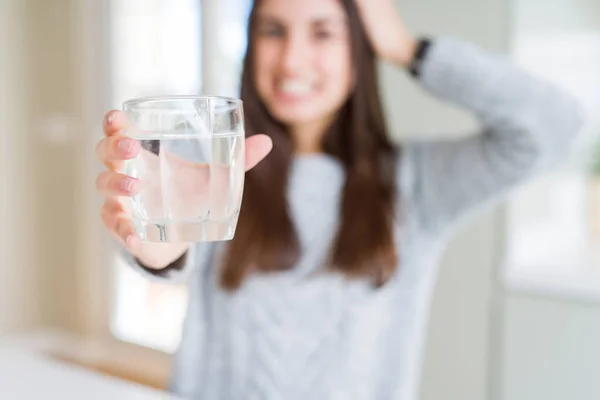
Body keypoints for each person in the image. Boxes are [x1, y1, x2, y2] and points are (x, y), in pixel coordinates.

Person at [95, 0, 584, 398]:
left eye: (323, 32)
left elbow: (557, 126)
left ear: (361, 44)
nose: (291, 60)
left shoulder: (419, 185)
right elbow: (163, 241)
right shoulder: (216, 168)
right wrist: (161, 250)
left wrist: (408, 48)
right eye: (273, 31)